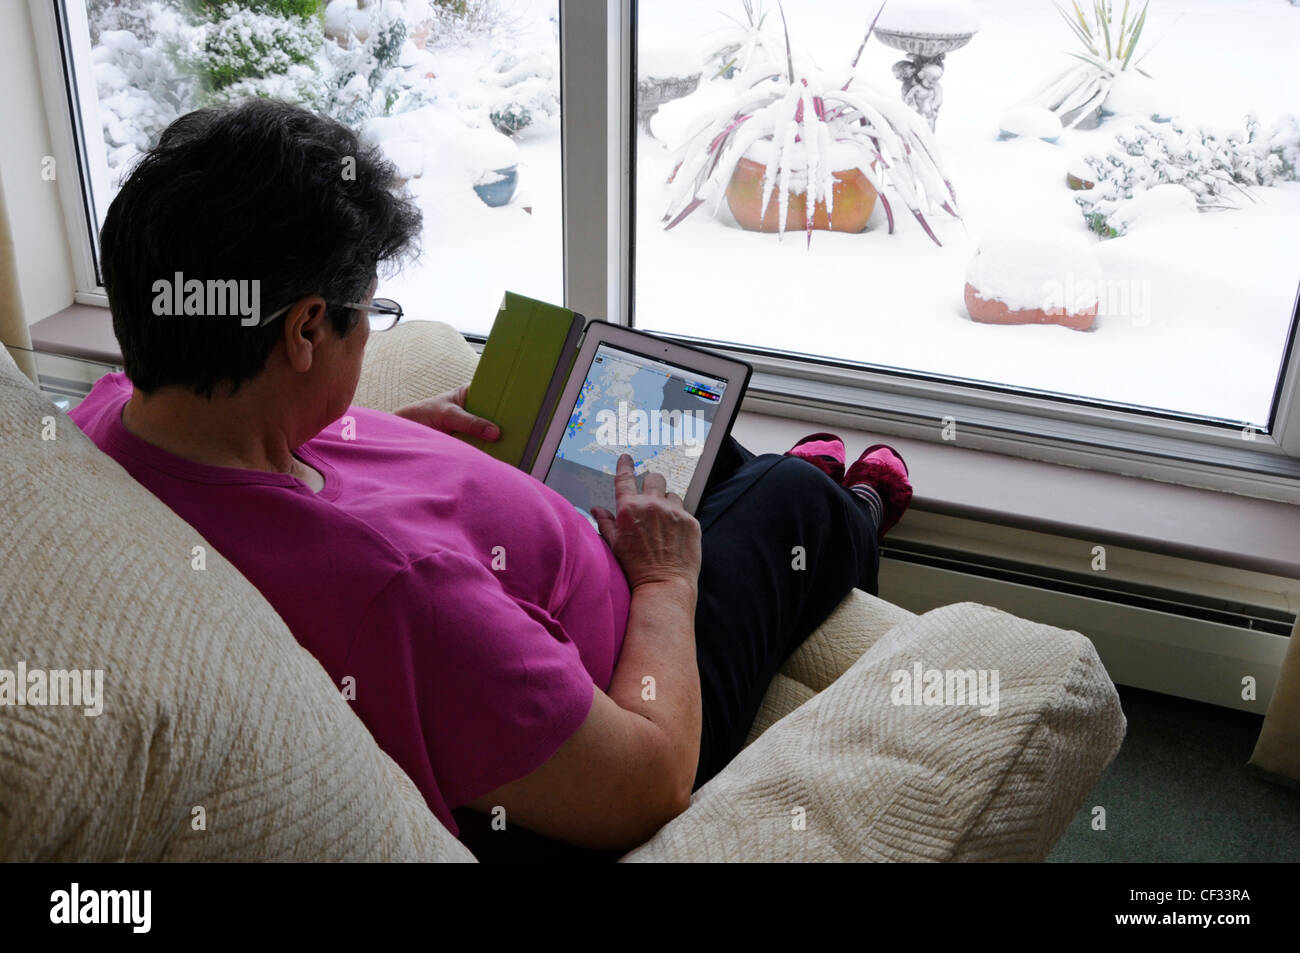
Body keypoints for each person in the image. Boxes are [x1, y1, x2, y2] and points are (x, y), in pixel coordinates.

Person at [69, 100, 912, 861]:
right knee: (793, 505)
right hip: (623, 682)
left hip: (546, 550)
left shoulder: (106, 415)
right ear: (305, 330)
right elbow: (650, 783)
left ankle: (774, 490)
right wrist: (665, 580)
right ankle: (852, 510)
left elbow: (264, 483)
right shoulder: (400, 597)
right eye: (369, 309)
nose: (373, 335)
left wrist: (388, 436)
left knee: (692, 452)